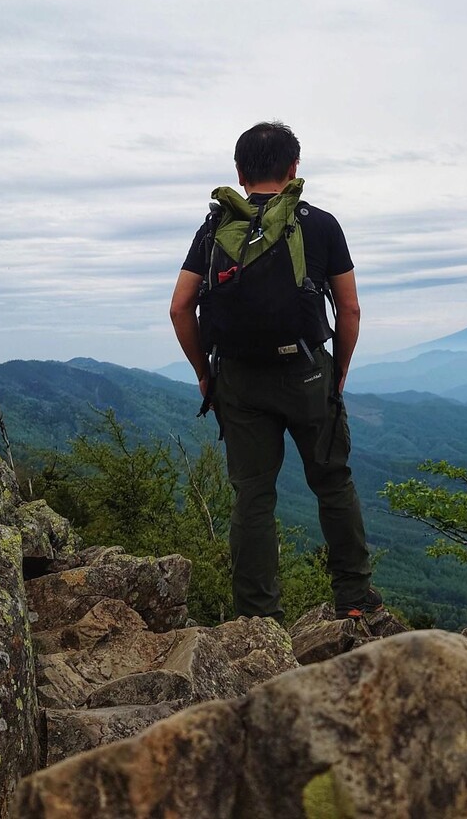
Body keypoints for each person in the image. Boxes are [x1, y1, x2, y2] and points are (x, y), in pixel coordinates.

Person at [169, 122, 381, 623]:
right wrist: (339, 371)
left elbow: (180, 309)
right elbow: (349, 311)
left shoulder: (215, 227)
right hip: (307, 372)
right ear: (294, 169)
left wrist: (205, 373)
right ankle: (353, 598)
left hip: (238, 380)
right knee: (332, 482)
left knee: (253, 498)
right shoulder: (321, 224)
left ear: (240, 174)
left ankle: (257, 620)